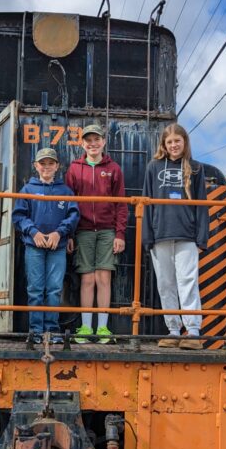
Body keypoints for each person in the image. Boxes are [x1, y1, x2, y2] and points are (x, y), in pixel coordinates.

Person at [142, 123, 225, 350]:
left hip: (187, 235)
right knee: (165, 284)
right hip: (160, 234)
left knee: (187, 282)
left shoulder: (196, 169)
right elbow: (146, 203)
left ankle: (194, 331)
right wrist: (147, 237)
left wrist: (201, 238)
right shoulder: (153, 167)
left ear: (184, 142)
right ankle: (172, 330)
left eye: (177, 141)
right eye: (169, 142)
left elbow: (202, 206)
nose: (173, 145)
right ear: (164, 145)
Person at [65, 124, 126, 344]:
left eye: (96, 139)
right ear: (82, 144)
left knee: (104, 278)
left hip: (108, 231)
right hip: (82, 231)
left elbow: (121, 205)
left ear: (103, 142)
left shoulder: (114, 169)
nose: (92, 144)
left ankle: (102, 329)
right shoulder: (74, 168)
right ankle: (85, 328)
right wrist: (70, 235)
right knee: (87, 279)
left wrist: (120, 234)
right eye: (88, 140)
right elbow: (69, 205)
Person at [12, 148, 79, 344]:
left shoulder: (66, 192)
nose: (47, 167)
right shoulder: (27, 190)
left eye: (51, 163)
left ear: (57, 166)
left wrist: (60, 233)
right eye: (43, 163)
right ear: (36, 166)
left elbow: (73, 215)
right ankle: (36, 330)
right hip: (34, 246)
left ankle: (51, 330)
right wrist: (34, 232)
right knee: (35, 288)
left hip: (57, 247)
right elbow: (19, 216)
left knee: (54, 289)